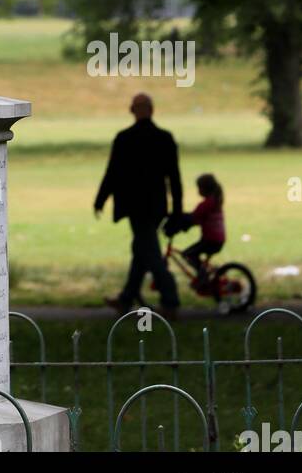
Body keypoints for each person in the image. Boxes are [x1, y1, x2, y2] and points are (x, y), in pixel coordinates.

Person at [94, 93, 183, 317]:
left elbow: (112, 173)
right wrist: (177, 210)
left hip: (135, 207)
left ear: (132, 110)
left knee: (150, 252)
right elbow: (174, 178)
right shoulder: (164, 138)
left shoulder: (124, 138)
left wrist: (101, 199)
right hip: (157, 206)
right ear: (152, 110)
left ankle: (170, 301)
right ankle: (125, 299)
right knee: (142, 250)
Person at [182, 173, 226, 271]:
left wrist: (182, 223)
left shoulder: (206, 204)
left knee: (188, 254)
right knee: (193, 252)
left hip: (210, 241)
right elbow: (198, 219)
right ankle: (209, 272)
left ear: (204, 189)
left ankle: (203, 275)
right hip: (218, 240)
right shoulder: (216, 202)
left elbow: (194, 218)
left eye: (199, 188)